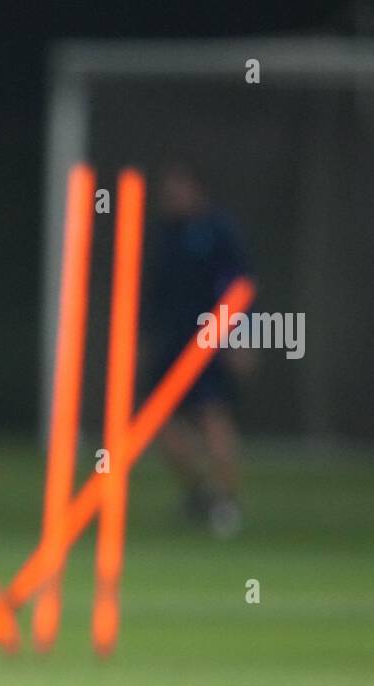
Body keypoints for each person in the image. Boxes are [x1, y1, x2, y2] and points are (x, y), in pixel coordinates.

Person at [144, 162, 252, 538]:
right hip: (172, 343)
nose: (171, 197)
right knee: (157, 420)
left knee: (212, 417)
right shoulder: (166, 234)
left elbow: (239, 287)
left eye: (178, 189)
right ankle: (200, 493)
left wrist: (239, 338)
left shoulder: (218, 231)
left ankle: (227, 502)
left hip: (209, 341)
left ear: (197, 189)